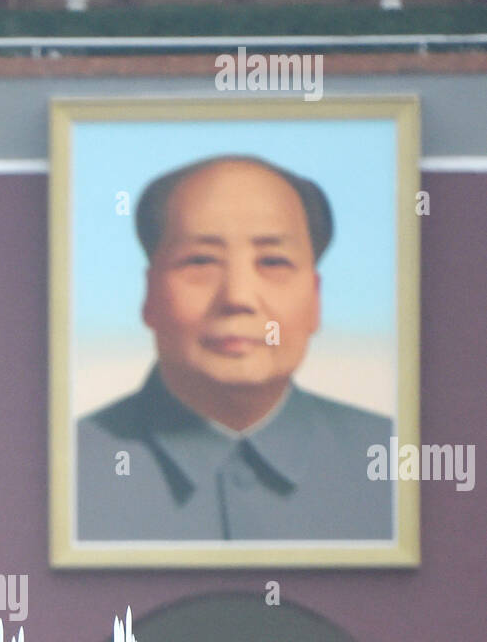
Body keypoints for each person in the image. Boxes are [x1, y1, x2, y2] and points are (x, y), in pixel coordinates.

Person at [77, 155, 393, 543]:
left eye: (273, 261)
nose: (238, 297)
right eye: (200, 260)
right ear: (150, 295)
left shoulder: (395, 466)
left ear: (315, 298)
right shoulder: (65, 470)